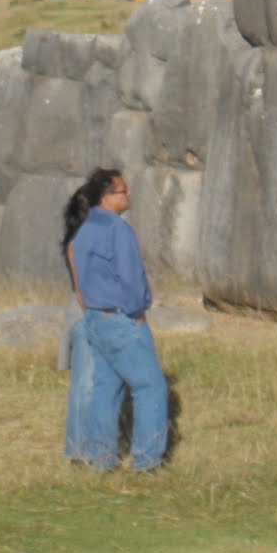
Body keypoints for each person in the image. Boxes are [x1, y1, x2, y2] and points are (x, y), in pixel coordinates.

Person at [73, 167, 168, 471]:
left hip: (94, 318)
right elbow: (130, 277)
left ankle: (102, 460)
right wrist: (137, 312)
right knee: (150, 386)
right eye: (123, 191)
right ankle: (147, 461)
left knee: (106, 389)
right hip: (121, 319)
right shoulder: (118, 229)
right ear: (106, 196)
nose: (129, 195)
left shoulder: (84, 229)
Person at [61, 183, 93, 463]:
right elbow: (83, 288)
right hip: (86, 314)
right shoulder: (79, 241)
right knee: (85, 383)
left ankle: (84, 447)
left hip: (86, 312)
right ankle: (79, 450)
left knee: (89, 383)